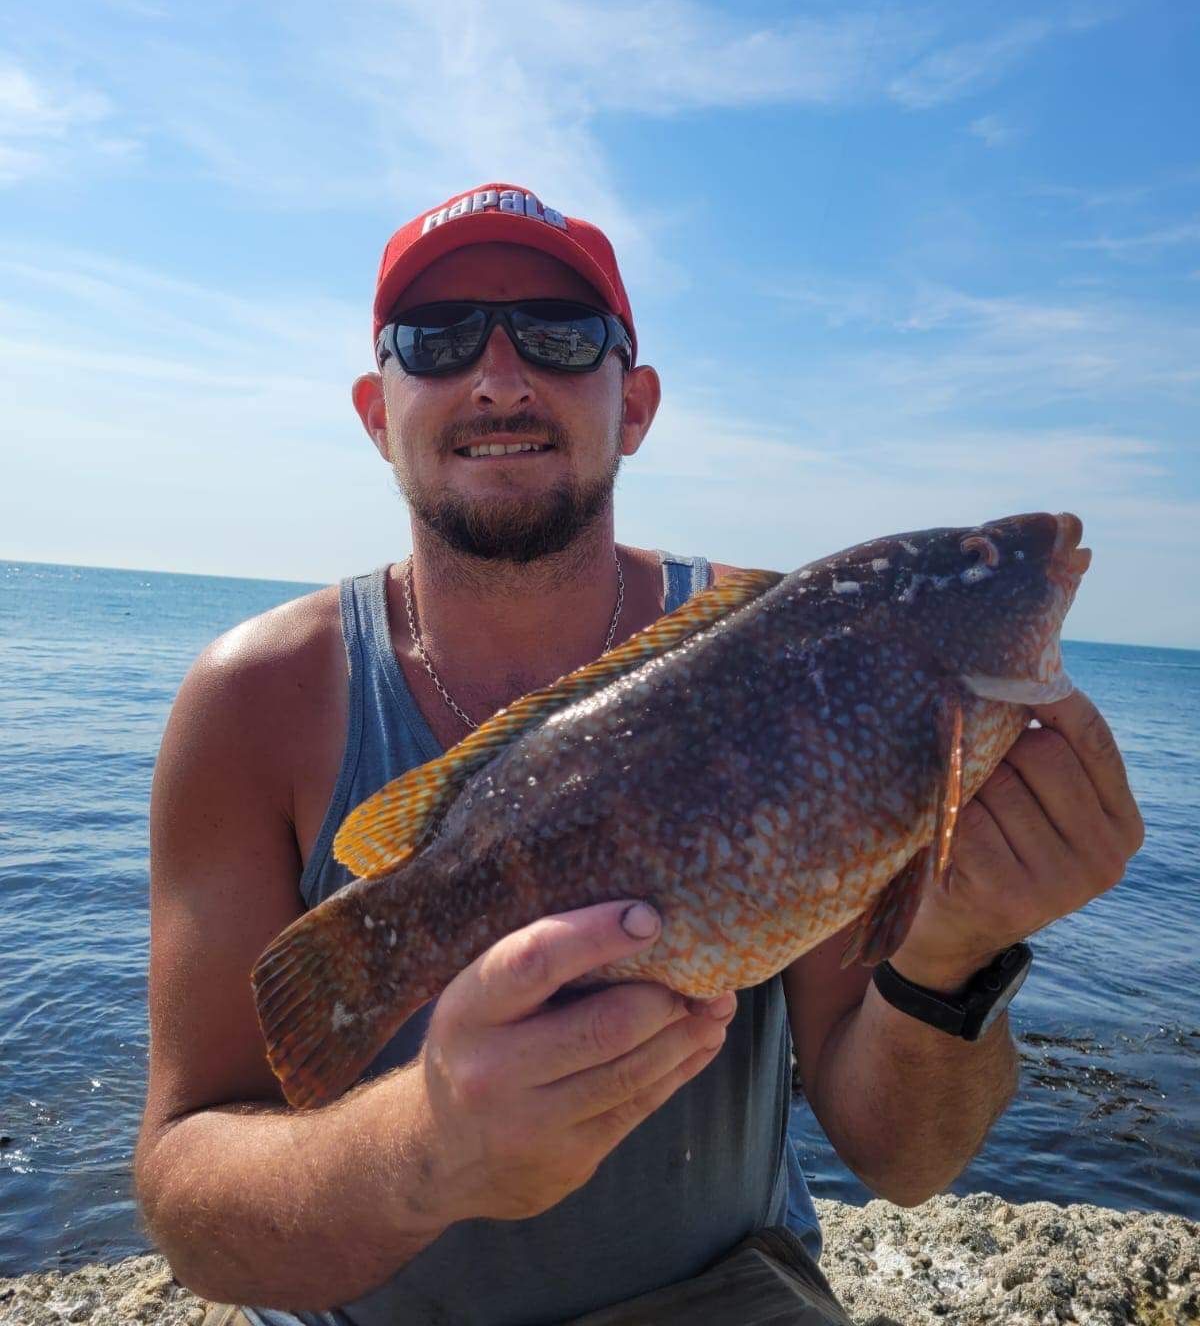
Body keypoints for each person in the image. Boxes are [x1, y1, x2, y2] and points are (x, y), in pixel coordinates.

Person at [134, 182, 1145, 1326]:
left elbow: (900, 1162)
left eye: (562, 337)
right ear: (377, 408)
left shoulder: (777, 651)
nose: (501, 375)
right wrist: (430, 1147)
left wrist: (958, 953)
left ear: (637, 403)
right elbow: (184, 1193)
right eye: (439, 337)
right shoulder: (252, 702)